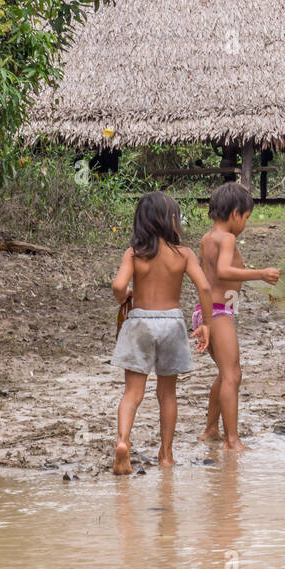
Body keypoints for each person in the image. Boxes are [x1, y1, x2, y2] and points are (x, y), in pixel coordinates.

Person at [111, 191, 211, 473]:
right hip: (172, 322)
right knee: (167, 394)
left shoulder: (134, 253)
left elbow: (119, 287)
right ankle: (166, 454)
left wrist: (125, 297)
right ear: (171, 222)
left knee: (132, 394)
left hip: (140, 320)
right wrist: (206, 324)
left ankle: (123, 441)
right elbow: (204, 287)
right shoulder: (184, 255)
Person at [196, 182, 280, 452]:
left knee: (226, 373)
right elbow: (223, 272)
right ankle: (233, 441)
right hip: (219, 314)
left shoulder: (207, 238)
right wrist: (260, 274)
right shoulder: (228, 238)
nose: (245, 223)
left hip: (205, 313)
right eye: (246, 217)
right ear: (235, 214)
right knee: (233, 375)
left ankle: (211, 429)